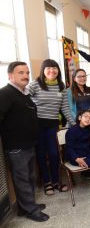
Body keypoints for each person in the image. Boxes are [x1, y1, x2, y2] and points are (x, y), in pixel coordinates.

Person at [0, 61, 49, 222]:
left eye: (27, 72)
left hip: (28, 144)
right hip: (16, 146)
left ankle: (24, 207)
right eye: (21, 72)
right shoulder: (5, 93)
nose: (26, 76)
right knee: (22, 178)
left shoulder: (24, 93)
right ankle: (31, 210)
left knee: (29, 177)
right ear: (10, 75)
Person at [28, 59, 75, 195]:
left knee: (54, 154)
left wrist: (73, 123)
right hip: (37, 124)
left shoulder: (61, 87)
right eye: (48, 68)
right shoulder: (35, 84)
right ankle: (47, 182)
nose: (52, 71)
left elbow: (65, 107)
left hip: (53, 125)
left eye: (54, 68)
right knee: (41, 154)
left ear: (58, 71)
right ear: (43, 70)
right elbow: (23, 98)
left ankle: (56, 180)